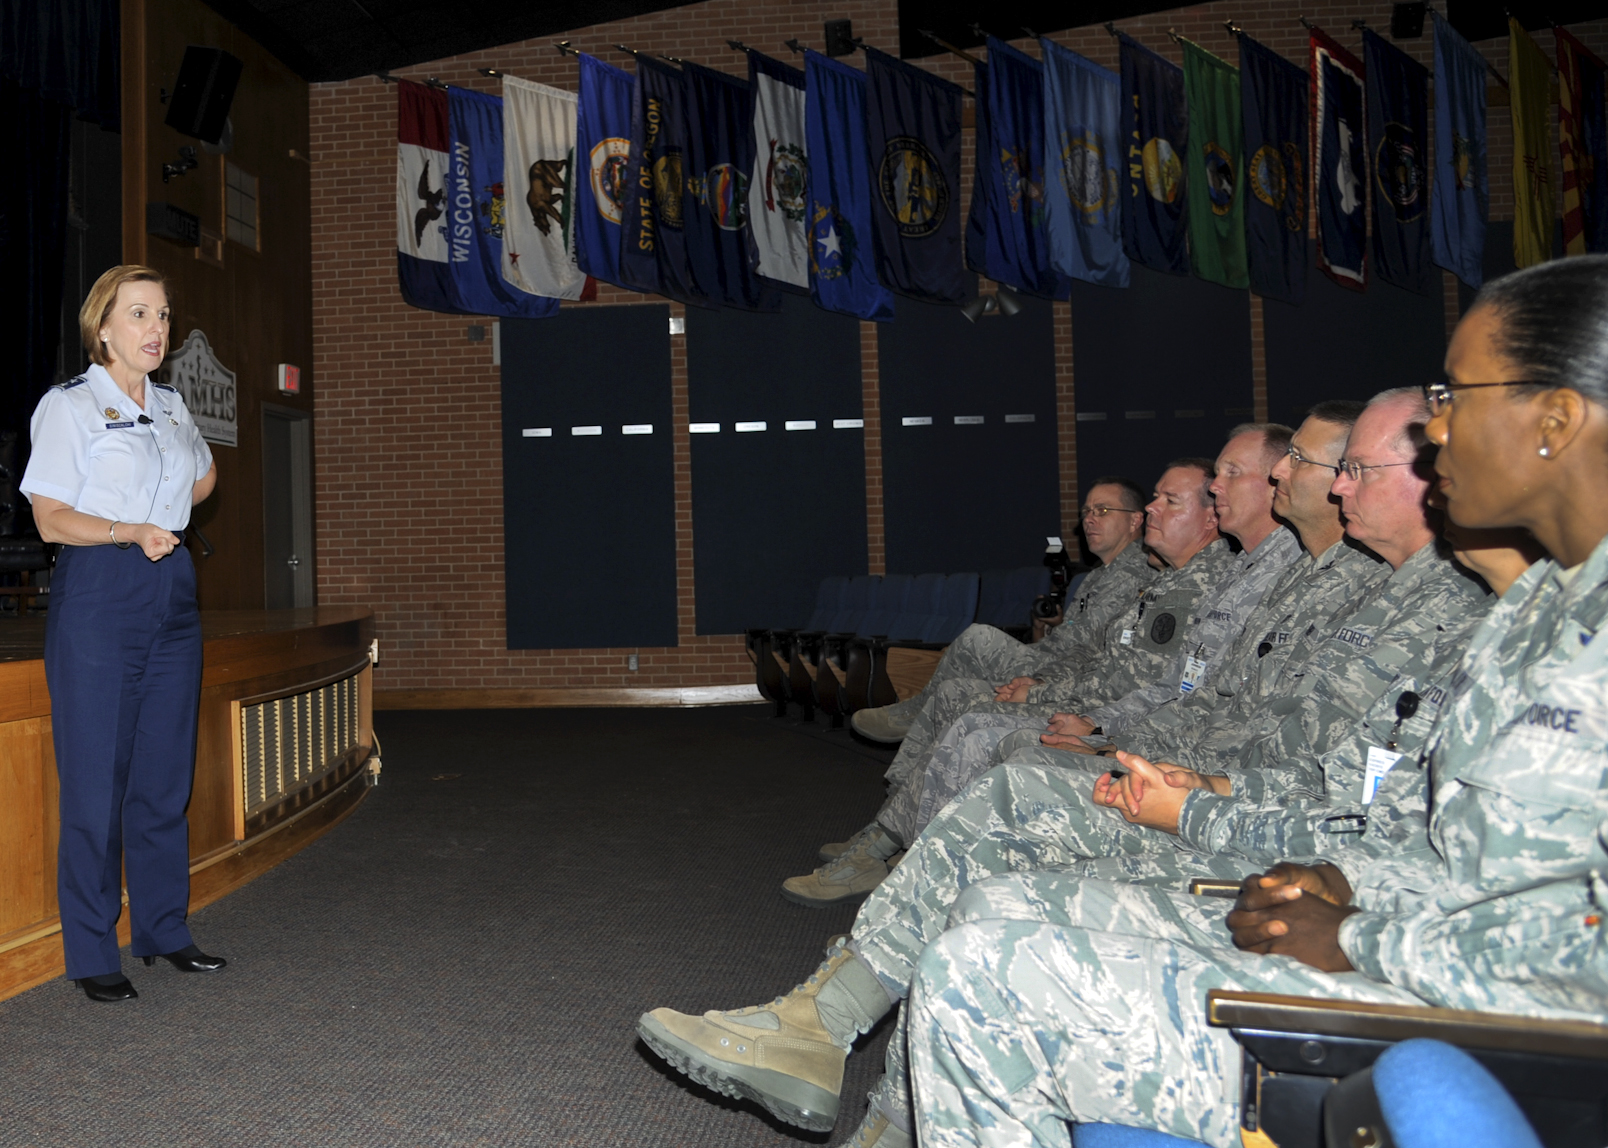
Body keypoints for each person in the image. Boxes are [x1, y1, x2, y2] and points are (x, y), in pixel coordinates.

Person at [632, 390, 1488, 1140]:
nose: (1323, 482)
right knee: (996, 818)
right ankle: (857, 1035)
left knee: (1008, 798)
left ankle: (849, 1023)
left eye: (1336, 466)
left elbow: (1347, 793)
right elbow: (1251, 725)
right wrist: (1174, 770)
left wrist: (1189, 793)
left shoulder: (1439, 603)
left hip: (1291, 862)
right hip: (1241, 806)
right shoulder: (1337, 579)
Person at [902, 256, 1608, 1147]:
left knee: (981, 973)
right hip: (1406, 952)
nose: (1438, 430)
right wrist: (1340, 879)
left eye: (1458, 396)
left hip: (1481, 1043)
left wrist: (1356, 931)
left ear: (1554, 421)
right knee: (985, 917)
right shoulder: (1540, 613)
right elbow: (1441, 850)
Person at [784, 461, 1232, 906]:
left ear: (1209, 517)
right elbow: (1105, 666)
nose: (1154, 507)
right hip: (1091, 705)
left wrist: (1048, 697)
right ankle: (888, 836)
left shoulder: (1190, 585)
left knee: (974, 723)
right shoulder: (1165, 581)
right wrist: (1041, 683)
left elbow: (1138, 683)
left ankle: (903, 864)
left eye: (1168, 501)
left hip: (1136, 730)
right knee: (964, 707)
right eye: (1154, 497)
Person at [20, 265, 225, 1003]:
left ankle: (165, 930)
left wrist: (174, 489)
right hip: (102, 588)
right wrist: (128, 527)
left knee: (163, 778)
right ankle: (90, 949)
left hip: (171, 589)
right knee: (96, 782)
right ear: (102, 327)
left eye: (163, 315)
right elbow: (48, 519)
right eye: (139, 314)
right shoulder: (70, 407)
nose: (156, 329)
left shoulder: (169, 404)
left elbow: (203, 481)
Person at [847, 477, 1152, 746]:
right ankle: (916, 725)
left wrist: (1042, 682)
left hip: (1064, 675)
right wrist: (1049, 629)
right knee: (957, 683)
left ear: (1135, 520)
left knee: (979, 638)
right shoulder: (1097, 576)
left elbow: (1092, 653)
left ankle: (914, 713)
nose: (1089, 519)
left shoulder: (1135, 572)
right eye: (1086, 511)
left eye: (1103, 510)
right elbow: (1079, 636)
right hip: (1051, 658)